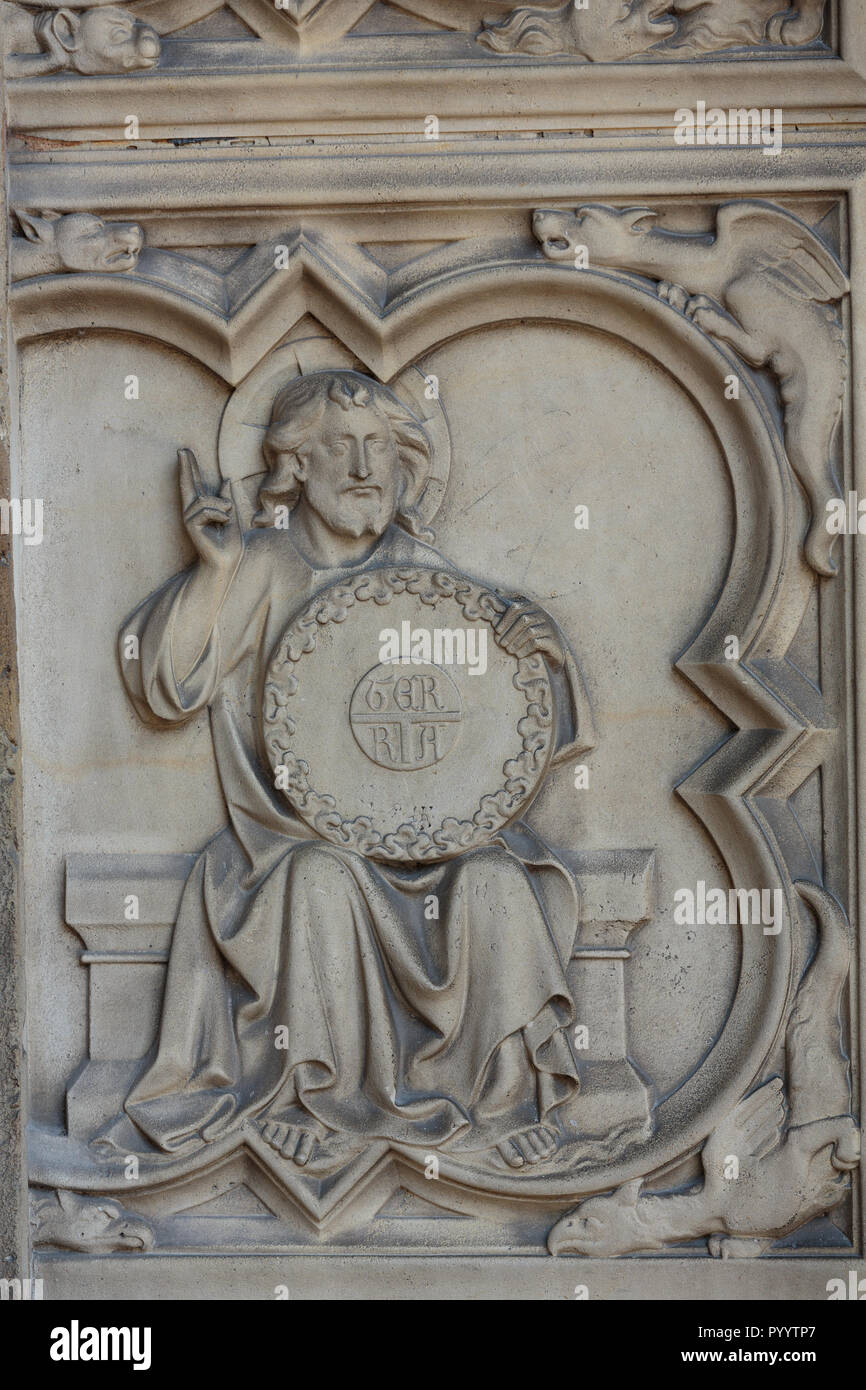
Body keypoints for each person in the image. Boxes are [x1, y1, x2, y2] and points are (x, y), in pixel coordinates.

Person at [102, 370, 594, 1174]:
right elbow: (162, 685)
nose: (365, 467)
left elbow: (503, 728)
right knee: (322, 877)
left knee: (499, 884)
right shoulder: (264, 563)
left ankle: (502, 1098)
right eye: (341, 445)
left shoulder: (423, 576)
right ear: (296, 464)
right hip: (288, 841)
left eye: (381, 448)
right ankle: (316, 1096)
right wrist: (215, 570)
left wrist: (541, 656)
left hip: (431, 840)